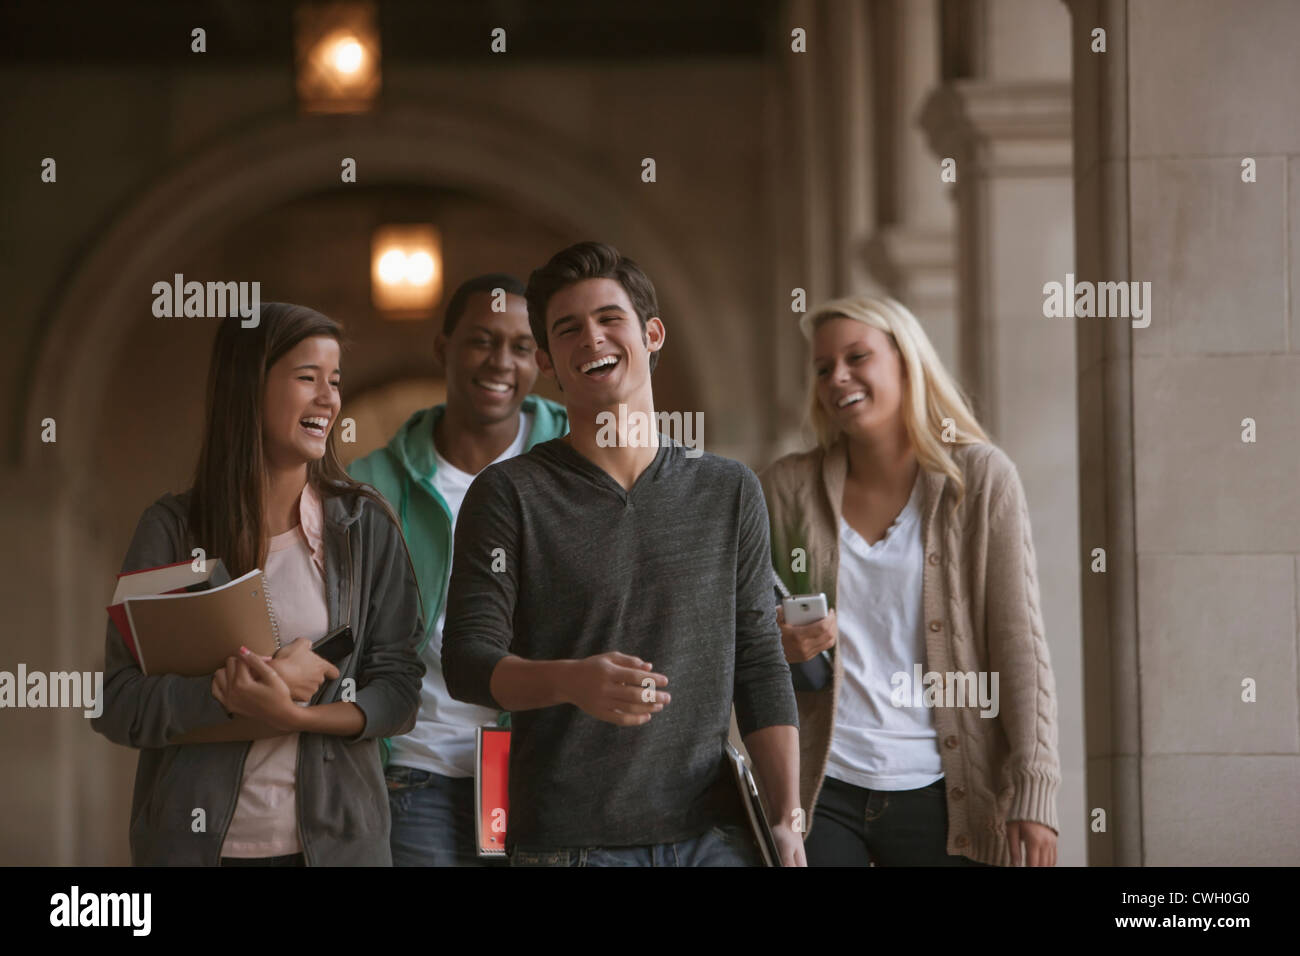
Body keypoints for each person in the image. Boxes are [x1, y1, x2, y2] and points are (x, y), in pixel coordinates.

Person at [441, 241, 803, 867]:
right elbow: (469, 663)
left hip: (715, 838)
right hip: (568, 843)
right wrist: (570, 680)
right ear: (549, 361)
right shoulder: (507, 494)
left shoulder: (729, 489)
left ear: (652, 334)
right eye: (567, 329)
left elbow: (761, 664)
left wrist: (786, 819)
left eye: (609, 318)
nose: (592, 338)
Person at [91, 303, 424, 866]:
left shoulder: (365, 526)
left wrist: (296, 715)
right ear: (249, 387)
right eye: (306, 378)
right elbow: (118, 704)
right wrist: (232, 694)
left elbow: (398, 690)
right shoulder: (172, 530)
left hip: (337, 847)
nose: (329, 399)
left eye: (335, 381)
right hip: (193, 847)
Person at [760, 294, 1060, 867]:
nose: (837, 377)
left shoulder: (980, 480)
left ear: (906, 361)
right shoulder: (786, 489)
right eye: (823, 368)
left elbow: (1019, 642)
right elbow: (745, 631)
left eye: (856, 357)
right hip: (824, 788)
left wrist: (1034, 788)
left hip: (947, 789)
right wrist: (778, 640)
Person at [348, 274, 568, 866]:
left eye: (521, 347)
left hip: (548, 771)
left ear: (541, 360)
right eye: (481, 341)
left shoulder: (579, 458)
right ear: (444, 348)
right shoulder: (372, 482)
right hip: (418, 770)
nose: (501, 362)